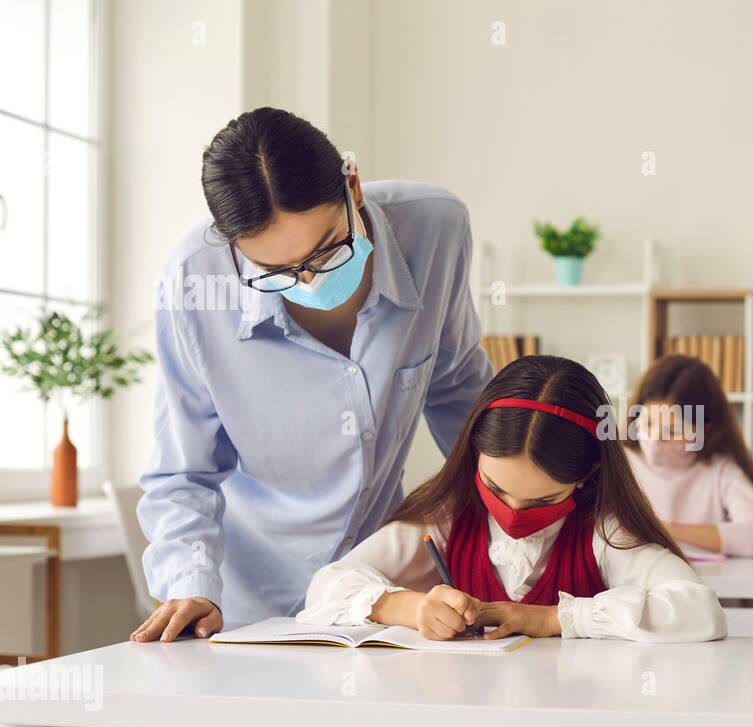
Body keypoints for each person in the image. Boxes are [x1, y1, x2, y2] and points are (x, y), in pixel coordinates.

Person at [132, 107, 492, 645]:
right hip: (232, 605)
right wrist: (190, 583)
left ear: (354, 185)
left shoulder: (434, 230)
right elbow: (184, 472)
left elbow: (461, 391)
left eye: (327, 248)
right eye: (273, 272)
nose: (307, 278)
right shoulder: (194, 279)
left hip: (367, 596)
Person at [297, 354, 727, 727]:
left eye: (543, 499)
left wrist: (554, 619)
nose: (513, 514)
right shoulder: (448, 519)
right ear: (473, 456)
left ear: (587, 476)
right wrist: (409, 607)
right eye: (496, 489)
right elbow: (326, 587)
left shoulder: (603, 532)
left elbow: (699, 609)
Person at [623, 354, 753, 557]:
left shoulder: (720, 470)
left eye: (673, 431)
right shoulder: (619, 462)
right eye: (649, 423)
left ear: (705, 430)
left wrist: (662, 528)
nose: (655, 439)